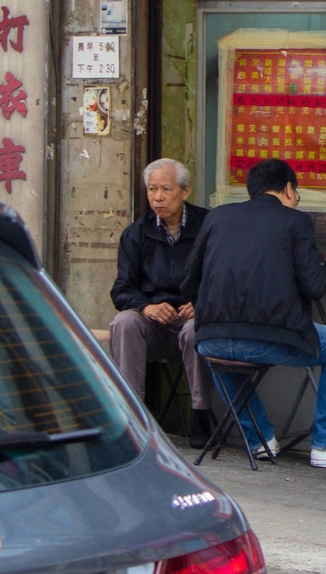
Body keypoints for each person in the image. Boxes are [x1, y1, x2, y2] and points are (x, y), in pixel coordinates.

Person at [182, 158, 326, 468]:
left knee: (221, 355)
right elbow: (314, 285)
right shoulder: (295, 221)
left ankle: (259, 438)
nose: (296, 200)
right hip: (269, 338)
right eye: (297, 194)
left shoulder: (217, 217)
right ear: (287, 189)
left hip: (211, 338)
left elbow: (189, 280)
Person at [110, 158, 214, 448]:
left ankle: (201, 415)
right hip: (155, 325)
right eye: (152, 189)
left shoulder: (208, 225)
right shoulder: (136, 233)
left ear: (185, 191)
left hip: (192, 320)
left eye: (166, 189)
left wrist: (201, 302)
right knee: (125, 322)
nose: (157, 197)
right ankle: (130, 415)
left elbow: (225, 278)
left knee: (195, 329)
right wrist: (147, 307)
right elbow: (121, 288)